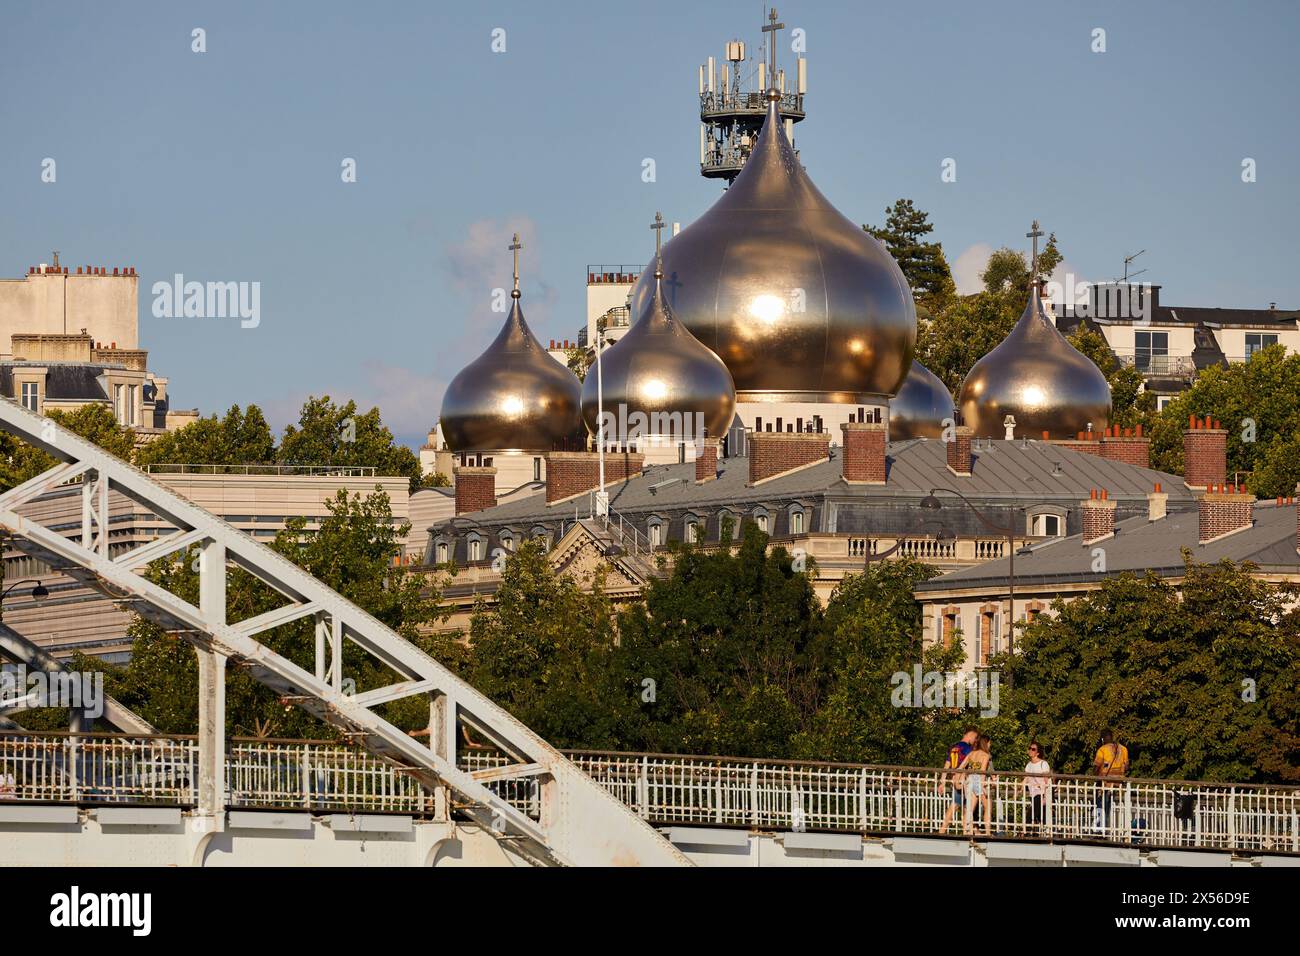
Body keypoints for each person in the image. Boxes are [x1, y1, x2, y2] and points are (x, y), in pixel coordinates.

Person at [938, 727, 978, 835]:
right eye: (974, 738)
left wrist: (942, 781)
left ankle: (943, 830)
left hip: (954, 779)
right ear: (970, 735)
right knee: (963, 806)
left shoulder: (954, 747)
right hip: (963, 779)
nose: (974, 741)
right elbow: (969, 759)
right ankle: (966, 832)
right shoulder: (966, 748)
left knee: (959, 805)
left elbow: (946, 765)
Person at [1093, 730, 1129, 831]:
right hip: (1119, 784)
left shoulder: (1102, 750)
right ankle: (1111, 829)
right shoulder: (1123, 749)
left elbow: (1096, 767)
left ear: (1103, 738)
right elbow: (1126, 767)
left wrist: (1096, 777)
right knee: (1111, 807)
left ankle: (1100, 829)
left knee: (1101, 806)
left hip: (1105, 784)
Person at [958, 735, 993, 836]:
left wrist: (959, 779)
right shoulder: (986, 755)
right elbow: (982, 772)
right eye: (989, 743)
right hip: (978, 780)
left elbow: (961, 767)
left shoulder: (971, 754)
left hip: (969, 779)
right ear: (985, 743)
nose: (990, 745)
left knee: (969, 809)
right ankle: (987, 832)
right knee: (988, 807)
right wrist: (982, 786)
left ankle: (965, 831)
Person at [1024, 742, 1051, 834]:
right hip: (1033, 793)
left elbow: (1047, 780)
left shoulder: (1043, 764)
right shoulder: (1028, 765)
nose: (1030, 750)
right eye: (1030, 748)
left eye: (1033, 749)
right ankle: (1044, 833)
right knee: (1040, 816)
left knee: (1030, 815)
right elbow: (1026, 779)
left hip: (1041, 793)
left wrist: (1046, 796)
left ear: (1038, 753)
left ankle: (1027, 833)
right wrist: (1018, 789)